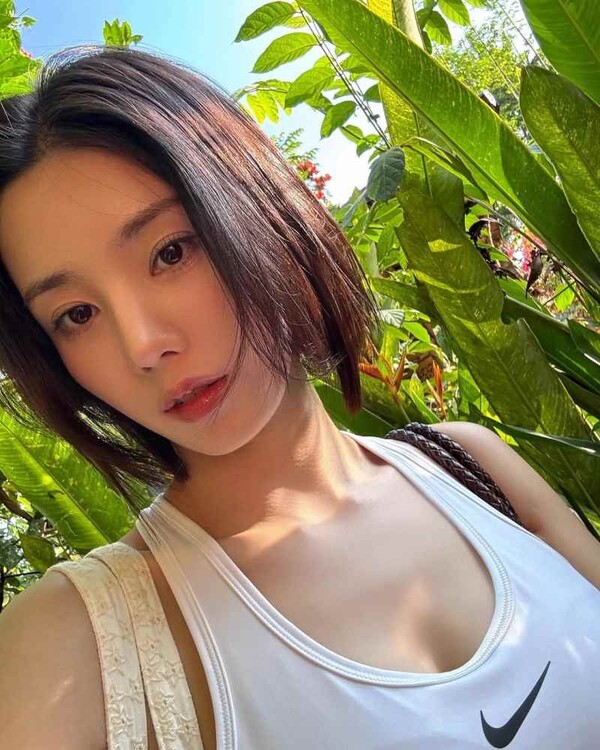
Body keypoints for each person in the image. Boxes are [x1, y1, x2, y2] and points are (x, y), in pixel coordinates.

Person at [0, 44, 598, 750]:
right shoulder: (65, 646)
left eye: (170, 252)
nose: (143, 345)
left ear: (258, 208)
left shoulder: (468, 463)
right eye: (75, 314)